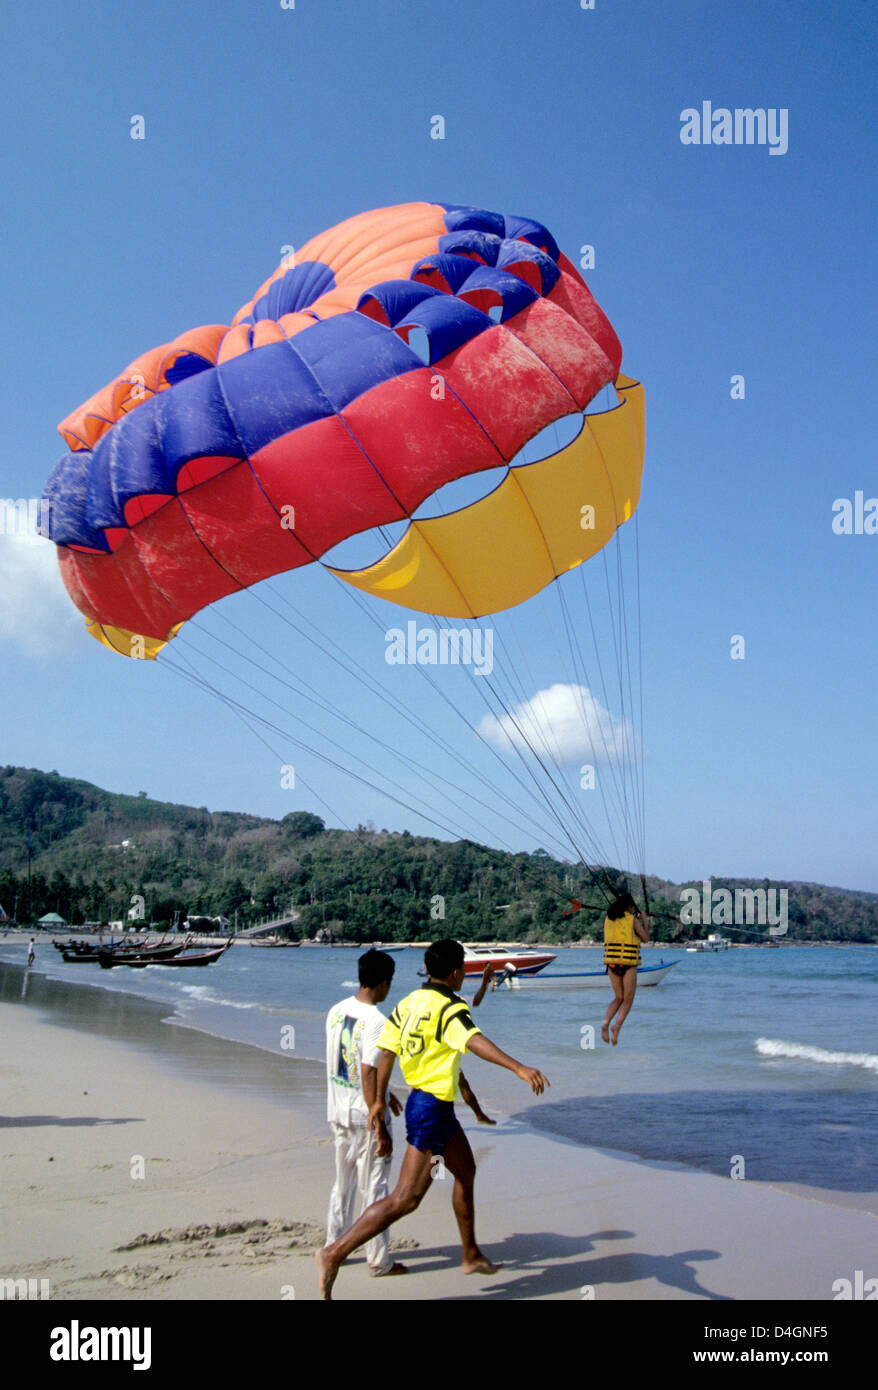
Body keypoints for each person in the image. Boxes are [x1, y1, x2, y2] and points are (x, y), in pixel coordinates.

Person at [316, 938, 549, 1300]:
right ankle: (334, 1253)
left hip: (428, 1106)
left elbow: (387, 1052)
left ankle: (470, 1253)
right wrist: (518, 1067)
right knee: (404, 1200)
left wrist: (378, 1100)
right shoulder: (451, 1009)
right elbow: (474, 1041)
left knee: (466, 1171)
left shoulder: (409, 1003)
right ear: (457, 972)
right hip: (431, 1112)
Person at [324, 949, 407, 1278]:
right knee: (375, 1188)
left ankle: (335, 1244)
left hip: (338, 1110)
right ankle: (379, 1259)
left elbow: (346, 1063)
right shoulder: (377, 1022)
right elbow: (368, 1069)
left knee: (342, 1185)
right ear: (384, 983)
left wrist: (387, 1096)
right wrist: (380, 1117)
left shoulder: (336, 1010)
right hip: (365, 1117)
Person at [601, 892, 649, 1045]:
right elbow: (646, 938)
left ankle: (606, 1022)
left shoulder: (608, 918)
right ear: (629, 907)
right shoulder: (632, 920)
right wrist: (644, 920)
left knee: (618, 997)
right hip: (628, 963)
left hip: (612, 964)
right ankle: (616, 1027)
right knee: (628, 1000)